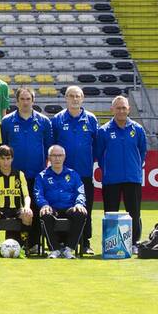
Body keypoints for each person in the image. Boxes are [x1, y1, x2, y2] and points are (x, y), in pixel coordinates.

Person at [0, 87, 51, 252]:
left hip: (36, 174)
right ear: (17, 101)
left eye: (28, 99)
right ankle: (11, 244)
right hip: (13, 175)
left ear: (33, 101)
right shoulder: (7, 121)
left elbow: (49, 147)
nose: (25, 102)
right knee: (13, 208)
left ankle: (34, 244)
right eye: (22, 99)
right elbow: (3, 148)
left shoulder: (44, 122)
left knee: (34, 209)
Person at [96, 96, 147, 252]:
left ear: (129, 109)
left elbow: (143, 151)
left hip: (132, 178)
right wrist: (109, 169)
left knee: (134, 211)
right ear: (112, 110)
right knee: (111, 212)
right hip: (111, 179)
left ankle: (134, 243)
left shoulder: (137, 129)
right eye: (118, 108)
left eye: (124, 108)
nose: (121, 111)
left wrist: (135, 168)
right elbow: (99, 154)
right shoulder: (104, 131)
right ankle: (111, 244)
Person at [51, 85, 98, 254]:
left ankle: (85, 243)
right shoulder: (57, 120)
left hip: (84, 174)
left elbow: (97, 146)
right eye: (71, 96)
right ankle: (63, 242)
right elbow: (52, 146)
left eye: (78, 96)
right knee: (64, 208)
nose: (75, 99)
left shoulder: (91, 119)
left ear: (83, 98)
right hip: (61, 175)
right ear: (66, 98)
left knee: (86, 209)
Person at [34, 145, 88, 259]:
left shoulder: (73, 174)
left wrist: (79, 203)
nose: (57, 158)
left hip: (69, 207)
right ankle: (55, 249)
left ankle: (69, 249)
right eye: (54, 155)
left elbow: (80, 192)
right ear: (49, 157)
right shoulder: (42, 176)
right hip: (52, 207)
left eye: (60, 155)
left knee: (81, 213)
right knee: (45, 214)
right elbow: (38, 194)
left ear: (64, 157)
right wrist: (44, 204)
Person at [0, 145, 33, 257]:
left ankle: (22, 247)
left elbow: (26, 195)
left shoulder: (19, 175)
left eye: (8, 158)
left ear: (12, 159)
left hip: (16, 209)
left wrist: (27, 206)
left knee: (27, 215)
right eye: (2, 158)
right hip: (0, 209)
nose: (6, 162)